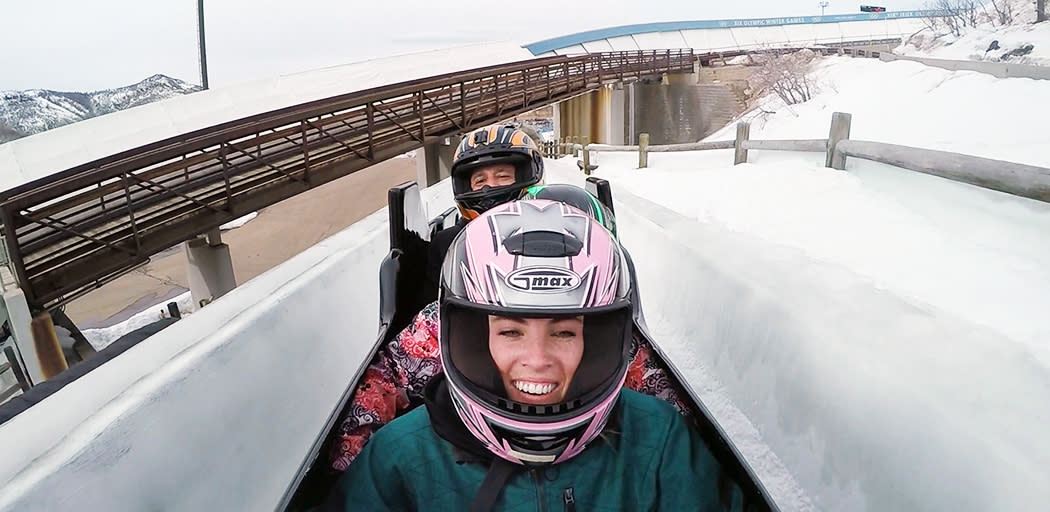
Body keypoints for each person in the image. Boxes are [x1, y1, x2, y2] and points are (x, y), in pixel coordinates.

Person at [324, 200, 728, 511]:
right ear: (475, 338)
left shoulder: (658, 439)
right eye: (511, 331)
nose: (537, 359)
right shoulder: (400, 457)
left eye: (565, 332)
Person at [423, 123, 545, 303]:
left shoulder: (552, 232)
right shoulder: (448, 243)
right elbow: (430, 312)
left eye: (503, 176)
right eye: (480, 181)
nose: (491, 187)